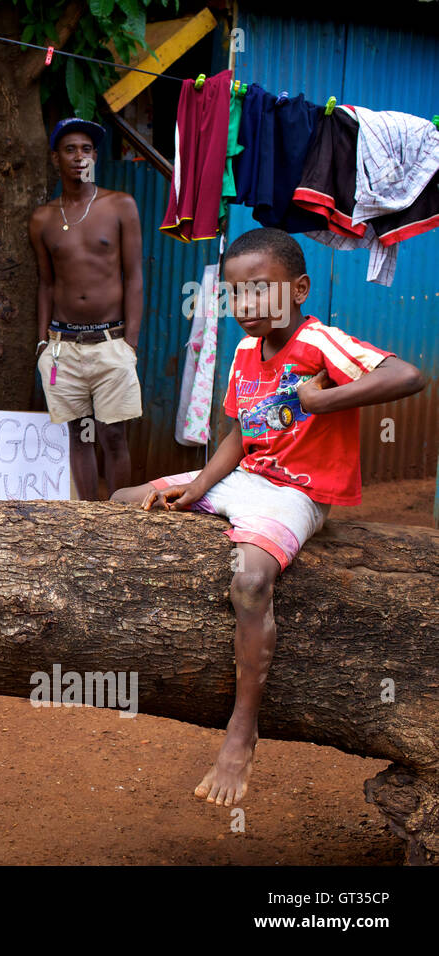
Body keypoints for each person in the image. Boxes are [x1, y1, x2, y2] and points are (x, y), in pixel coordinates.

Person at [112, 227, 426, 807]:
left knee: (251, 581)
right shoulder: (243, 353)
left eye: (261, 289)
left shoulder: (320, 341)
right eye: (235, 294)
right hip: (247, 476)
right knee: (125, 500)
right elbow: (240, 434)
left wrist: (323, 399)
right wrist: (197, 487)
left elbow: (408, 376)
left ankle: (241, 730)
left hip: (295, 493)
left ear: (299, 289)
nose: (246, 304)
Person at [29, 118, 144, 500]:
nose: (80, 157)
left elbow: (134, 277)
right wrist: (42, 344)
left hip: (111, 342)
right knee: (79, 434)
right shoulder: (43, 219)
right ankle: (90, 516)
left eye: (87, 149)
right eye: (70, 149)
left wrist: (130, 343)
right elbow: (46, 283)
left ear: (95, 156)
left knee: (114, 435)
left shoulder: (120, 206)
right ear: (55, 159)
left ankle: (120, 517)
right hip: (61, 347)